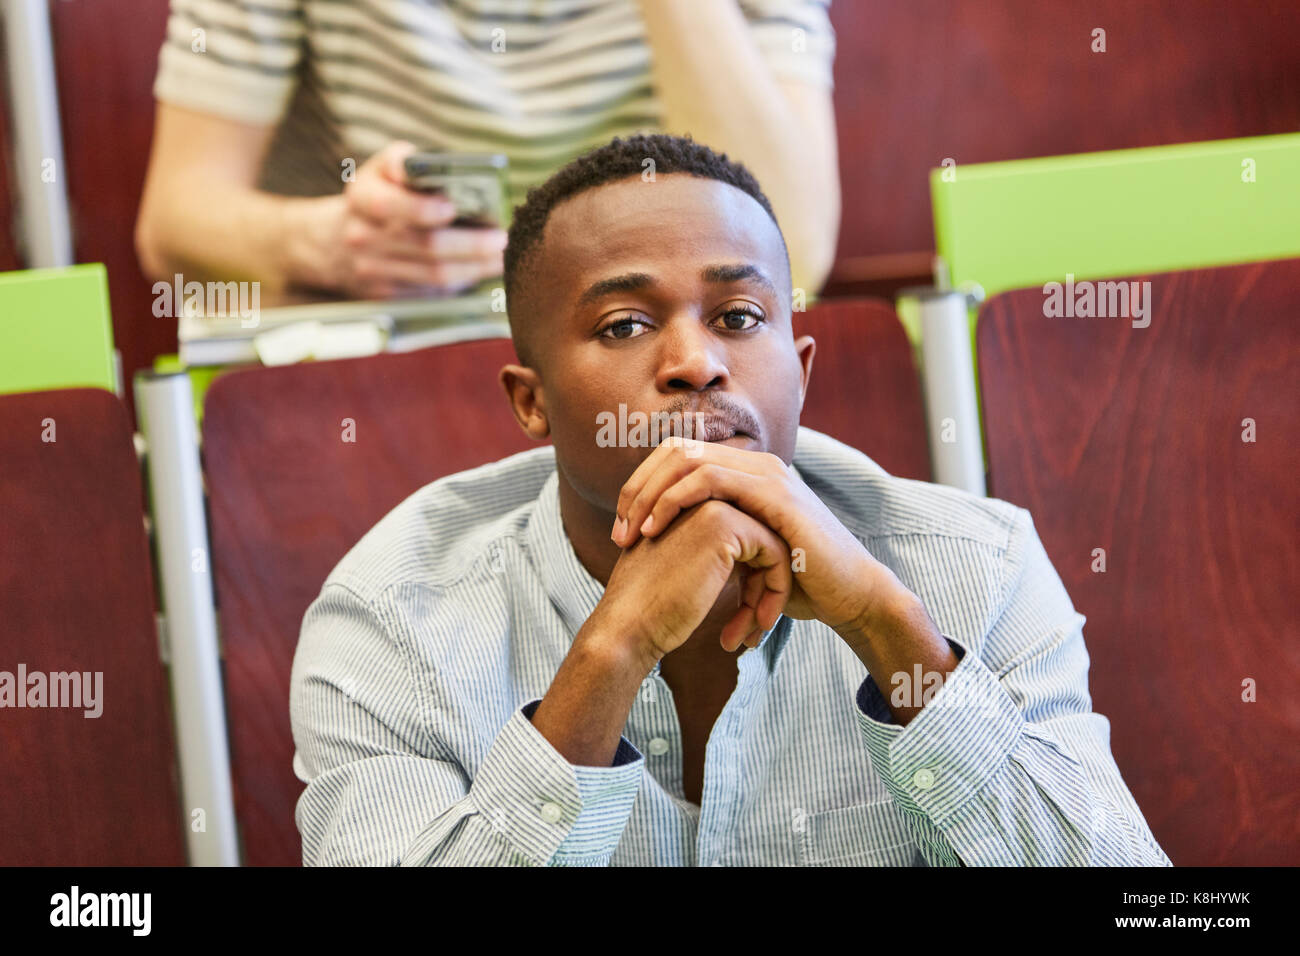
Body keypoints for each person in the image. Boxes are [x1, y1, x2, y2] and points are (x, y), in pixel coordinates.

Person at [289, 133, 1172, 867]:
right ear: (532, 402)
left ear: (803, 372)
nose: (696, 362)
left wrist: (883, 625)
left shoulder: (978, 565)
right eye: (623, 325)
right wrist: (610, 653)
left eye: (740, 318)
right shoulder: (392, 619)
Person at [134, 0, 841, 304]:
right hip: (410, 378)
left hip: (666, 372)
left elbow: (794, 253)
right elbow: (174, 221)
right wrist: (326, 244)